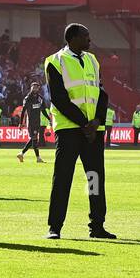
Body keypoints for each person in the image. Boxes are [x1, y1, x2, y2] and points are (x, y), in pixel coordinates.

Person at [44, 24, 116, 239]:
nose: (89, 40)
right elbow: (58, 98)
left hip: (92, 129)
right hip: (69, 129)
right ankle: (54, 227)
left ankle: (97, 226)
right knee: (63, 178)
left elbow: (101, 93)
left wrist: (97, 121)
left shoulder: (92, 59)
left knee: (94, 178)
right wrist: (85, 123)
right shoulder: (55, 61)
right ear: (72, 38)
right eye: (86, 36)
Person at [16, 81, 49, 164]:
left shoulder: (40, 98)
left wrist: (49, 118)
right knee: (34, 139)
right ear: (31, 88)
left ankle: (22, 154)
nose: (35, 88)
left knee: (33, 139)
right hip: (30, 122)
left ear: (38, 88)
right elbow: (23, 111)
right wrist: (21, 123)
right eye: (33, 87)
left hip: (38, 121)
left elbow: (43, 110)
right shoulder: (28, 98)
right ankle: (37, 158)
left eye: (36, 87)